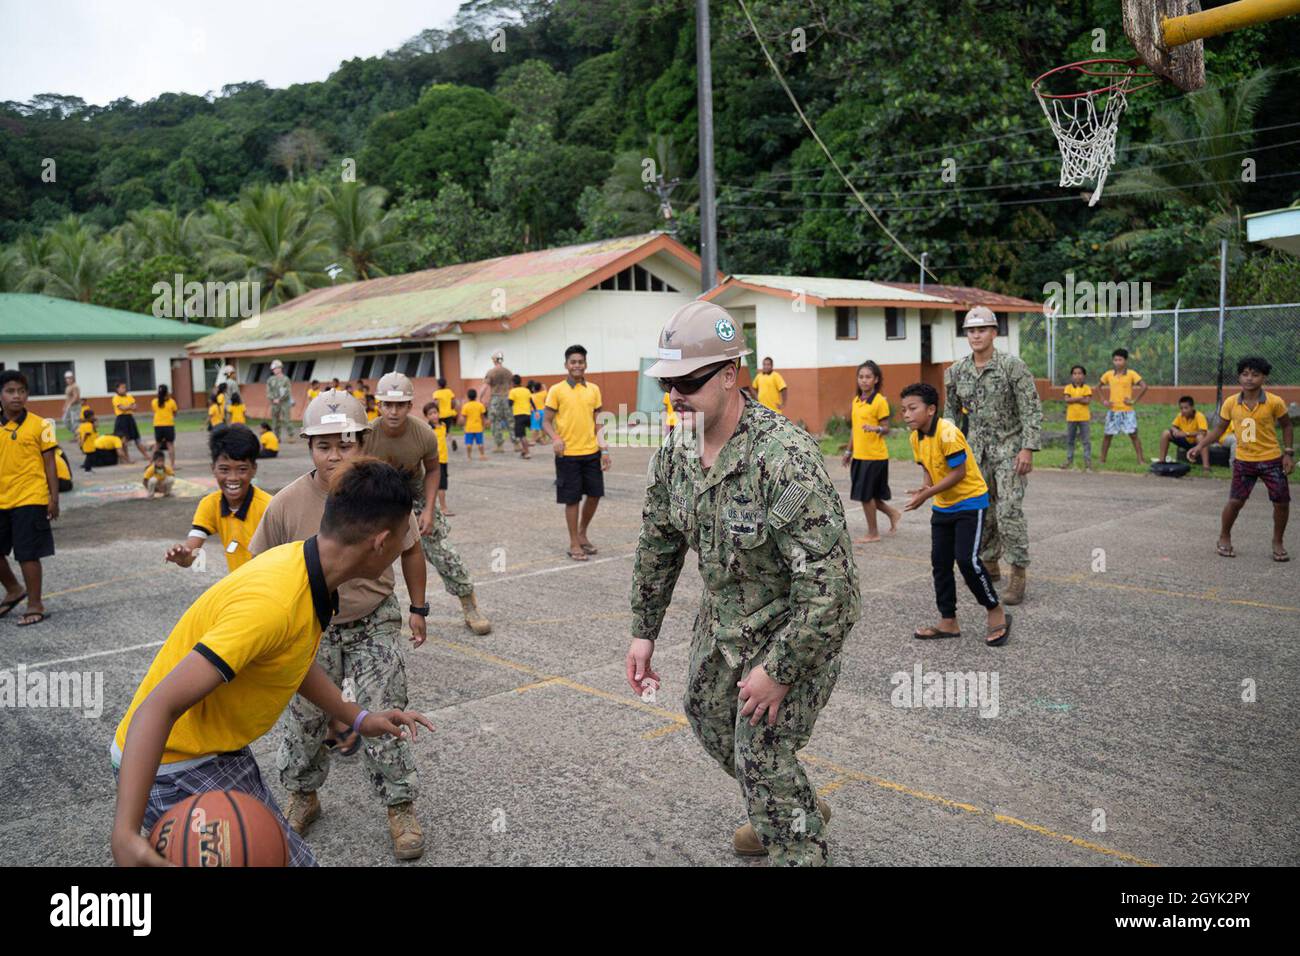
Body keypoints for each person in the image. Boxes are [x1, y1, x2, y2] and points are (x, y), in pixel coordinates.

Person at [109, 458, 435, 867]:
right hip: (175, 763)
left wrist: (358, 718)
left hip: (217, 749)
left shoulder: (307, 569)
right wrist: (124, 832)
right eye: (404, 535)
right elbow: (157, 706)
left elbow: (289, 663)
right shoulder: (274, 603)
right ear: (381, 542)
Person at [626, 301, 859, 866]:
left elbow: (833, 591)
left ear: (731, 374)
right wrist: (643, 632)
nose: (676, 395)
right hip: (726, 621)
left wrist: (778, 672)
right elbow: (658, 545)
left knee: (760, 745)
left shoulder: (784, 459)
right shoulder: (676, 453)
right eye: (668, 383)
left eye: (690, 381)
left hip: (795, 628)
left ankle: (793, 835)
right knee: (706, 715)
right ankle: (784, 799)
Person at [250, 392, 432, 860]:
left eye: (345, 445)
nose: (334, 456)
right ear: (309, 447)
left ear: (364, 443)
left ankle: (399, 804)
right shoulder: (286, 505)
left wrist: (418, 607)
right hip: (312, 628)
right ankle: (303, 793)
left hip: (373, 619)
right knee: (306, 715)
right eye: (322, 445)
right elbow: (258, 569)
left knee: (385, 707)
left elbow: (411, 549)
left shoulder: (383, 497)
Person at [365, 374, 491, 635]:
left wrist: (429, 510)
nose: (393, 411)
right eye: (388, 404)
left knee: (444, 553)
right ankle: (362, 614)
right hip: (378, 498)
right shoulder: (366, 435)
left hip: (416, 494)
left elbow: (433, 471)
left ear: (410, 405)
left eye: (400, 405)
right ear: (379, 405)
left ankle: (469, 605)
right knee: (363, 556)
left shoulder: (423, 433)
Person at [943, 306, 1041, 605]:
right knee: (981, 510)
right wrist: (948, 452)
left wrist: (1028, 447)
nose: (976, 335)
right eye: (971, 330)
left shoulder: (1013, 366)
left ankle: (1018, 573)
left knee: (1009, 509)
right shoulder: (956, 371)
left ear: (994, 333)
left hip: (1010, 449)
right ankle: (989, 563)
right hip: (975, 452)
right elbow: (950, 416)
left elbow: (1031, 408)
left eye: (982, 329)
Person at [899, 382, 1010, 647]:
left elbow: (958, 473)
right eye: (903, 409)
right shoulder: (915, 436)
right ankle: (948, 620)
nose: (906, 414)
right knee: (940, 562)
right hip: (943, 506)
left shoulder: (948, 433)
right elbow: (928, 467)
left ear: (931, 409)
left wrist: (926, 494)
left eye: (912, 408)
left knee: (967, 560)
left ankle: (995, 610)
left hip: (970, 503)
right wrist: (926, 487)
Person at [1189, 357, 1293, 561]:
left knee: (1281, 502)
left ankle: (1278, 541)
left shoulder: (1274, 402)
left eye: (1255, 374)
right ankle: (1224, 536)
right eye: (1245, 374)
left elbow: (1287, 425)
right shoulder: (1230, 403)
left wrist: (1288, 453)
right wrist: (1200, 445)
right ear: (1239, 377)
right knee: (1235, 502)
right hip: (1244, 461)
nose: (1249, 379)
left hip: (1271, 459)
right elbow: (1219, 429)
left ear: (1264, 377)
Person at [165, 424, 271, 573]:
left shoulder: (270, 508)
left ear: (254, 469)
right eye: (224, 469)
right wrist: (183, 557)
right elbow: (190, 555)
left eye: (242, 469)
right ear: (213, 468)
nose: (233, 478)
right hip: (239, 585)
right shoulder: (210, 504)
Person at [0, 370, 58, 628]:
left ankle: (35, 604)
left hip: (30, 497)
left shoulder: (41, 425)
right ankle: (13, 589)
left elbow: (50, 464)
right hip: (1, 498)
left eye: (21, 391)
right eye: (10, 391)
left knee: (27, 554)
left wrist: (53, 498)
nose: (16, 396)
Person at [544, 344, 609, 561]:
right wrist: (555, 438)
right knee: (572, 499)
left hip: (591, 451)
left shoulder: (594, 390)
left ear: (586, 364)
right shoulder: (556, 390)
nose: (577, 365)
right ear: (566, 365)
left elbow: (598, 422)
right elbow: (545, 421)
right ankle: (574, 542)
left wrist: (605, 450)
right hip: (568, 454)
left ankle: (582, 534)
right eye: (573, 362)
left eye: (580, 362)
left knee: (594, 494)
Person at [841, 359, 901, 543]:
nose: (864, 380)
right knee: (870, 495)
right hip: (859, 455)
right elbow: (855, 429)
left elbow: (887, 428)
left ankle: (873, 533)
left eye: (868, 377)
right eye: (861, 377)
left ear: (876, 379)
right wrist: (848, 452)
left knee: (866, 497)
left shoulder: (879, 401)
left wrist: (876, 429)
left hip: (874, 456)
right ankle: (893, 513)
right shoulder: (857, 401)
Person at [1099, 348, 1148, 466]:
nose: (1117, 362)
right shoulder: (1108, 374)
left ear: (1125, 361)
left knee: (1134, 435)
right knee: (1107, 436)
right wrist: (1104, 400)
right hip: (1113, 410)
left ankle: (1141, 460)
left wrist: (1134, 401)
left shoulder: (1131, 374)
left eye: (1120, 360)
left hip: (1127, 411)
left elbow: (1144, 386)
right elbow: (1098, 387)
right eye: (1115, 360)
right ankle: (1102, 460)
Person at [1162, 395, 1210, 475]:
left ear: (1192, 407)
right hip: (1185, 441)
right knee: (1165, 433)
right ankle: (1161, 462)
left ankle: (1206, 467)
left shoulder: (1199, 416)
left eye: (1186, 408)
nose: (1183, 410)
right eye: (1181, 408)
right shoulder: (1180, 416)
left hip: (1196, 443)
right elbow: (1173, 427)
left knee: (1200, 437)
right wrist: (1176, 431)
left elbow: (1203, 432)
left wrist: (1186, 434)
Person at [1060, 365, 1093, 472]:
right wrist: (1079, 398)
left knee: (1086, 440)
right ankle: (1069, 460)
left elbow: (1087, 401)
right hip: (1071, 417)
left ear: (1084, 375)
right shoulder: (1068, 387)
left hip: (1084, 417)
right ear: (1071, 376)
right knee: (1070, 440)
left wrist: (1073, 399)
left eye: (1079, 373)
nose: (1077, 376)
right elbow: (1067, 400)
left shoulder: (1087, 388)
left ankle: (1088, 461)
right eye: (1074, 373)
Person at [481, 350, 515, 453]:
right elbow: (512, 386)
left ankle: (499, 445)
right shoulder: (508, 372)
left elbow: (485, 386)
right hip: (507, 397)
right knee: (511, 421)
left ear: (495, 360)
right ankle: (517, 443)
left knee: (495, 422)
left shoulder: (491, 372)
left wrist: (480, 397)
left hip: (496, 398)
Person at [423, 401, 453, 516]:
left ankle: (438, 507)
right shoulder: (428, 430)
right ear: (427, 416)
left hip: (444, 459)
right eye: (430, 414)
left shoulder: (443, 426)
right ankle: (443, 508)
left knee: (442, 485)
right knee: (440, 485)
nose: (434, 416)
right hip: (434, 460)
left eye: (435, 413)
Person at [112, 381, 150, 463]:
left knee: (137, 438)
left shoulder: (129, 396)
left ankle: (146, 455)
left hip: (130, 418)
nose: (124, 389)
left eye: (125, 387)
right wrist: (129, 407)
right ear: (117, 389)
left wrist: (128, 407)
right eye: (122, 387)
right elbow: (122, 408)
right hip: (121, 419)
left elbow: (135, 407)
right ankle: (127, 459)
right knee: (124, 440)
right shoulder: (116, 398)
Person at [151, 385, 179, 472]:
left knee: (157, 444)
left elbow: (154, 411)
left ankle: (152, 464)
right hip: (168, 425)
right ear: (167, 392)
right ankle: (172, 465)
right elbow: (175, 413)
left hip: (158, 425)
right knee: (170, 444)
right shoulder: (171, 402)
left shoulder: (154, 401)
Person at [266, 358, 294, 442]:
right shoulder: (270, 379)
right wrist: (273, 399)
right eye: (273, 369)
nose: (274, 370)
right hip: (274, 403)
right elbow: (268, 391)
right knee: (275, 420)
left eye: (275, 368)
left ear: (280, 368)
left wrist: (280, 399)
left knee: (286, 419)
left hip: (284, 403)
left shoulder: (286, 379)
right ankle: (277, 437)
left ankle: (291, 435)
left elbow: (288, 391)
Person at [508, 374, 533, 459]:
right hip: (528, 414)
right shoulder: (526, 390)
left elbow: (510, 404)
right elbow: (531, 401)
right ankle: (523, 451)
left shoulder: (512, 391)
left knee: (522, 436)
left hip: (519, 415)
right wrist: (535, 411)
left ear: (513, 383)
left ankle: (527, 452)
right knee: (523, 434)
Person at [460, 389, 487, 461]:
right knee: (480, 442)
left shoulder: (465, 406)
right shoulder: (480, 405)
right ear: (476, 396)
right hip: (478, 427)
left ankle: (469, 457)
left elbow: (464, 418)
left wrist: (464, 426)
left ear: (468, 397)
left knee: (468, 443)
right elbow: (482, 417)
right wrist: (484, 425)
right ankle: (482, 455)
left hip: (469, 428)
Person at [61, 370, 82, 437]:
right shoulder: (68, 387)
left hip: (75, 406)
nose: (68, 380)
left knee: (75, 422)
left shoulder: (75, 386)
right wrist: (65, 406)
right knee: (65, 420)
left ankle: (78, 436)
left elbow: (76, 397)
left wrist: (70, 404)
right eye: (67, 378)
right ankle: (77, 434)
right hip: (69, 407)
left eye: (70, 378)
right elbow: (68, 398)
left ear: (73, 378)